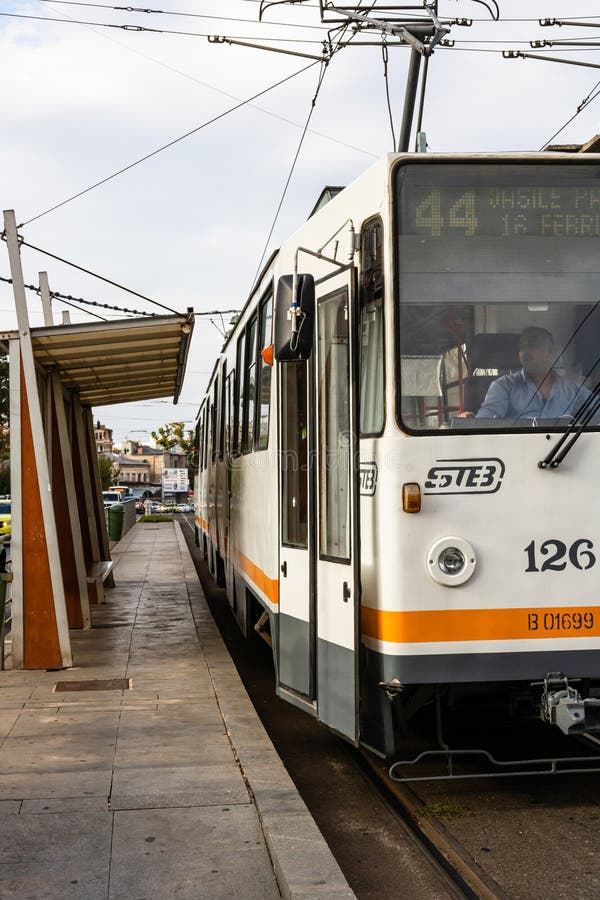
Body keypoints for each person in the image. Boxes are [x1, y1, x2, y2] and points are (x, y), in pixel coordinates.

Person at [467, 326, 593, 421]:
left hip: (566, 451)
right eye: (522, 347)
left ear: (550, 351)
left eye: (532, 345)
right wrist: (473, 422)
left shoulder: (572, 390)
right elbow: (486, 422)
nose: (525, 352)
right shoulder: (503, 386)